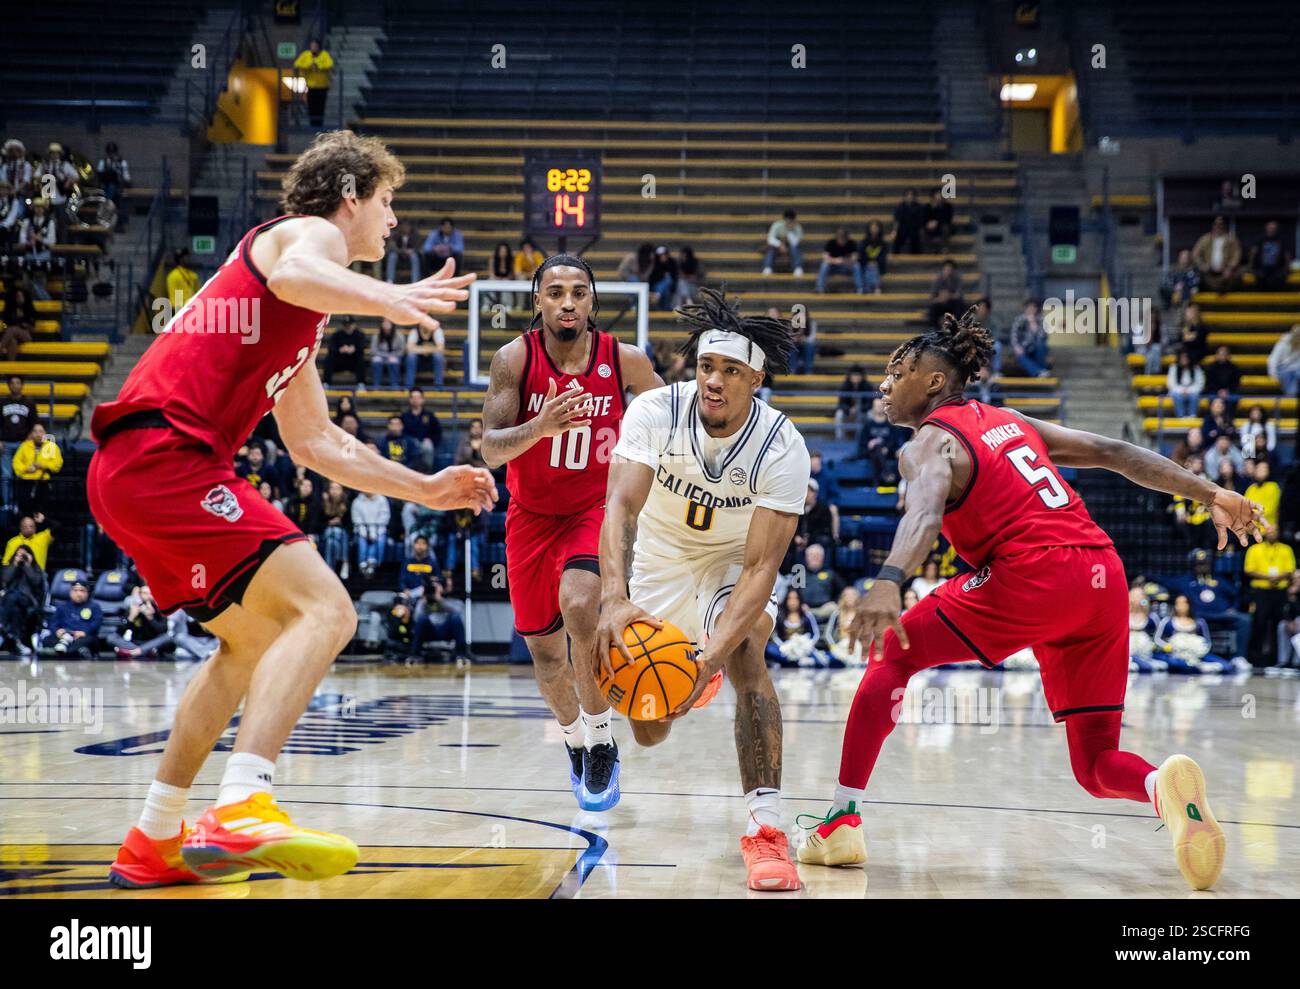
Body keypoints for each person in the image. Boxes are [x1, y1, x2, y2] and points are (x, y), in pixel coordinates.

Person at [86, 129, 496, 889]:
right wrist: (393, 298)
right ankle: (243, 802)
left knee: (249, 645)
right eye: (387, 201)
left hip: (135, 471)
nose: (393, 219)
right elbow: (307, 267)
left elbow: (315, 444)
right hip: (163, 457)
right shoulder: (303, 239)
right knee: (328, 611)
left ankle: (153, 836)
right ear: (350, 196)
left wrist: (426, 487)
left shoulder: (296, 321)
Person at [799, 308, 1263, 891]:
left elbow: (923, 513)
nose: (885, 383)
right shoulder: (1007, 420)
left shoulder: (927, 444)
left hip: (1033, 572)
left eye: (898, 370)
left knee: (893, 652)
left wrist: (890, 578)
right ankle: (1161, 788)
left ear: (935, 382)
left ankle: (840, 819)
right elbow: (1113, 452)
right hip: (1101, 575)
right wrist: (1210, 490)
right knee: (1096, 767)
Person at [596, 287, 810, 891]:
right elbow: (620, 506)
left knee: (746, 651)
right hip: (661, 561)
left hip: (730, 565)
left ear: (756, 379)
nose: (713, 381)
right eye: (706, 367)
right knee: (648, 726)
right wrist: (614, 596)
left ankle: (767, 832)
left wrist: (710, 653)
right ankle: (686, 676)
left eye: (731, 371)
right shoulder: (656, 411)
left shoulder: (782, 445)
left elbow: (761, 567)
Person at [480, 252, 660, 812]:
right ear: (537, 301)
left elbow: (669, 418)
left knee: (582, 605)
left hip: (595, 510)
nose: (567, 302)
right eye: (554, 292)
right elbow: (489, 449)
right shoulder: (514, 359)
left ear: (592, 301)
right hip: (530, 516)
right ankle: (577, 739)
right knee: (544, 652)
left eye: (578, 292)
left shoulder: (623, 359)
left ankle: (602, 737)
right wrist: (541, 425)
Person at [1244, 525, 1297, 668]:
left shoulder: (1286, 549)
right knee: (1259, 624)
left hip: (1279, 592)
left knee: (1278, 625)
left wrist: (1278, 578)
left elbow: (1290, 570)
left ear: (1278, 533)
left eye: (1274, 531)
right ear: (1264, 533)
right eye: (1269, 531)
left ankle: (1276, 660)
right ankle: (1255, 659)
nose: (1272, 534)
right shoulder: (1254, 549)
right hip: (1261, 592)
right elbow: (1248, 569)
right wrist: (1268, 578)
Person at [409, 576, 469, 662]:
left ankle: (461, 655)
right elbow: (416, 619)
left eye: (436, 586)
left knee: (455, 618)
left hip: (446, 630)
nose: (434, 589)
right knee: (422, 618)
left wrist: (440, 600)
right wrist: (423, 602)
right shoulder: (422, 602)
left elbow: (459, 615)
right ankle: (414, 655)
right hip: (429, 630)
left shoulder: (453, 601)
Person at [0, 545, 45, 654]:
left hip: (28, 600)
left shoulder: (35, 568)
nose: (21, 557)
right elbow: (5, 580)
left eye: (24, 555)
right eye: (19, 555)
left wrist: (28, 565)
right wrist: (14, 565)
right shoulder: (10, 567)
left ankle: (2, 625)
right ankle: (16, 641)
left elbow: (36, 582)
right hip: (11, 601)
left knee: (13, 596)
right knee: (16, 610)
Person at [1, 374, 37, 505]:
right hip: (5, 445)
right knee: (6, 477)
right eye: (12, 383)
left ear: (22, 385)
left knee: (22, 474)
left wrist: (28, 440)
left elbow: (34, 424)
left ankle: (20, 503)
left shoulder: (29, 403)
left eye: (18, 383)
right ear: (8, 385)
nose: (15, 385)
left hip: (24, 445)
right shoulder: (2, 402)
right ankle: (7, 504)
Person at [12, 420, 62, 515]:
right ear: (31, 433)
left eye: (41, 431)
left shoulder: (51, 447)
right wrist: (26, 469)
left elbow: (57, 464)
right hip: (26, 482)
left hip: (43, 483)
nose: (38, 434)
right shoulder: (24, 446)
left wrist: (42, 465)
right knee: (25, 511)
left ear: (45, 433)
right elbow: (16, 463)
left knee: (41, 512)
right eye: (35, 431)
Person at [109, 585, 172, 659]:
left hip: (152, 642)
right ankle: (143, 651)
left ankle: (135, 652)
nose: (148, 596)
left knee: (168, 637)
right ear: (140, 595)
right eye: (145, 593)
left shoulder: (159, 609)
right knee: (111, 637)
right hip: (135, 642)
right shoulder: (133, 607)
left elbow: (162, 630)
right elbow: (119, 631)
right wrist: (131, 617)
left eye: (151, 593)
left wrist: (151, 618)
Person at [44, 580, 103, 657]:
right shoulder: (62, 606)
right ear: (70, 592)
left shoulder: (94, 607)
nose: (78, 594)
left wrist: (84, 632)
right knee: (47, 640)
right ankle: (71, 651)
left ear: (87, 593)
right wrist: (57, 631)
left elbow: (96, 623)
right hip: (64, 635)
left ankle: (64, 651)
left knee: (89, 641)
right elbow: (53, 622)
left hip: (81, 636)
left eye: (82, 590)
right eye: (75, 590)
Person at [1192, 215, 1241, 293]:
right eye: (1216, 224)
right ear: (1213, 226)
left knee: (1237, 277)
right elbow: (1195, 254)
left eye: (1221, 225)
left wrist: (1230, 267)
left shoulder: (1231, 239)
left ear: (1224, 226)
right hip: (1209, 272)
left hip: (1226, 272)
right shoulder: (1205, 239)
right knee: (1197, 277)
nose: (1218, 227)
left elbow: (1237, 255)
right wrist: (1202, 265)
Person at [351, 487, 391, 578]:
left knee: (379, 540)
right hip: (361, 530)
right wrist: (365, 533)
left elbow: (384, 518)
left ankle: (374, 564)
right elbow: (357, 520)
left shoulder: (382, 500)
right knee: (362, 541)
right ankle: (362, 564)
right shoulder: (357, 502)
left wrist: (373, 533)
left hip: (379, 529)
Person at [293, 39, 334, 128]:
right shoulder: (306, 55)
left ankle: (319, 125)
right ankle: (312, 125)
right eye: (312, 46)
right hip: (310, 86)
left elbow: (330, 64)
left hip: (322, 86)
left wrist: (319, 66)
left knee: (320, 106)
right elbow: (297, 64)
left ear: (319, 47)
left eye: (315, 46)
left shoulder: (324, 55)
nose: (313, 48)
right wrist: (309, 66)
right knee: (311, 106)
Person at [402, 387, 441, 472]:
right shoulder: (405, 416)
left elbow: (437, 432)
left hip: (425, 444)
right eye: (413, 397)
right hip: (410, 444)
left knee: (428, 446)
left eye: (418, 397)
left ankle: (427, 472)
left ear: (423, 400)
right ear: (409, 400)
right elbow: (402, 433)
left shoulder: (429, 415)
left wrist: (431, 440)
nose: (416, 400)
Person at [96, 141, 132, 230]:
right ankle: (107, 212)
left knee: (115, 194)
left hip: (118, 188)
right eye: (109, 153)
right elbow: (99, 174)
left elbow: (127, 177)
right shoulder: (103, 162)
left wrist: (119, 172)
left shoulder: (121, 162)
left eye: (113, 153)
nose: (111, 155)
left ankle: (118, 223)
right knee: (109, 190)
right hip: (106, 188)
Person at [1248, 220, 1291, 293]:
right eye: (1270, 228)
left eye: (1274, 228)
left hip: (1277, 269)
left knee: (1279, 279)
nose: (1272, 230)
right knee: (1260, 278)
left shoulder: (1282, 240)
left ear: (1277, 229)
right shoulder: (1260, 240)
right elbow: (1253, 253)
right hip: (1262, 268)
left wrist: (1287, 268)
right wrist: (1251, 267)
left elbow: (1287, 255)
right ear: (1266, 228)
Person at [318, 480, 351, 577]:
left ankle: (329, 570)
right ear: (328, 490)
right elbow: (317, 523)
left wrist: (340, 523)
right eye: (332, 488)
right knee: (332, 531)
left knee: (332, 542)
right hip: (326, 531)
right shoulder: (323, 503)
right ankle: (345, 562)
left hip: (341, 535)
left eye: (337, 488)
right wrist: (329, 523)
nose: (335, 491)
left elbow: (350, 525)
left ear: (342, 491)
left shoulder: (347, 504)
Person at [816, 228, 863, 293]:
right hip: (833, 267)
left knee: (856, 265)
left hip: (846, 267)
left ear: (847, 239)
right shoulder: (831, 243)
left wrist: (844, 261)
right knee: (824, 265)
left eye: (843, 240)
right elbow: (825, 257)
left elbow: (855, 258)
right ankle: (820, 288)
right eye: (840, 239)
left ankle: (859, 288)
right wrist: (835, 260)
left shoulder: (852, 243)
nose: (841, 241)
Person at [1010, 298, 1049, 377]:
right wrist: (1016, 347)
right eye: (1029, 307)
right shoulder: (1019, 320)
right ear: (1025, 308)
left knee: (1041, 345)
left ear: (1036, 309)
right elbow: (1014, 336)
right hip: (1023, 348)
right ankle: (1038, 372)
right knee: (1020, 355)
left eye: (1033, 307)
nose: (1031, 310)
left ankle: (1042, 371)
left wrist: (1033, 325)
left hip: (1036, 347)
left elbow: (1043, 337)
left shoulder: (1041, 320)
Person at [323, 316, 366, 386]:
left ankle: (361, 384)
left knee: (361, 360)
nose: (348, 327)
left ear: (354, 325)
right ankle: (326, 383)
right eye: (346, 325)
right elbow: (331, 348)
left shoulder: (359, 334)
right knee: (328, 360)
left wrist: (354, 349)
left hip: (353, 361)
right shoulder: (337, 334)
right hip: (340, 361)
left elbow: (362, 347)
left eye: (350, 325)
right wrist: (340, 350)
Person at [833, 364, 872, 440]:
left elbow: (870, 403)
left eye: (858, 375)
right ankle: (840, 438)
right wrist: (848, 409)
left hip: (862, 412)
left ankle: (869, 438)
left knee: (871, 414)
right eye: (854, 375)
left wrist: (859, 408)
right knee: (839, 414)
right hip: (848, 413)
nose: (856, 377)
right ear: (850, 376)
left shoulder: (867, 386)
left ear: (862, 376)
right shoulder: (845, 386)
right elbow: (841, 403)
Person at [762, 209, 803, 276]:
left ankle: (797, 267)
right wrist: (780, 245)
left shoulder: (797, 227)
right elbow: (770, 238)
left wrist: (790, 231)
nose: (789, 221)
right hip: (777, 246)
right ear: (784, 219)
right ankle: (768, 267)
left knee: (794, 248)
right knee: (771, 249)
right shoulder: (777, 225)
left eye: (791, 220)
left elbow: (795, 243)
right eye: (787, 219)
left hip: (790, 247)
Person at [405, 322, 446, 389]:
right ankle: (409, 386)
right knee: (411, 357)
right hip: (418, 362)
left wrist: (419, 349)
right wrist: (429, 349)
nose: (425, 324)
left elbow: (441, 348)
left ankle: (439, 386)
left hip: (431, 362)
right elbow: (409, 348)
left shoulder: (437, 331)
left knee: (438, 357)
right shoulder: (415, 331)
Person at [1166, 350, 1205, 418]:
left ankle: (1192, 416)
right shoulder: (1173, 367)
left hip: (1192, 391)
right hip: (1177, 391)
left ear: (1189, 359)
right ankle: (1181, 417)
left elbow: (1200, 384)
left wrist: (1188, 391)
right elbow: (1170, 384)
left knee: (1194, 396)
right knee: (1178, 396)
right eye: (1182, 358)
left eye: (1186, 358)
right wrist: (1182, 391)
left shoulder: (1196, 368)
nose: (1184, 360)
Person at [1202, 345, 1240, 414]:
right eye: (1220, 354)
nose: (1222, 356)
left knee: (1234, 398)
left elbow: (1236, 383)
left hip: (1230, 391)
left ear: (1228, 356)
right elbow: (1209, 383)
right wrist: (1218, 391)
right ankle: (1214, 419)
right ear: (1216, 355)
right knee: (1212, 398)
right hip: (1214, 391)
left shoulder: (1234, 368)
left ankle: (1228, 418)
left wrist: (1227, 390)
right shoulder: (1210, 368)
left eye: (1224, 354)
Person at [2, 285, 36, 361]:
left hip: (26, 334)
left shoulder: (29, 309)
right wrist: (5, 328)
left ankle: (1, 346)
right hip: (11, 334)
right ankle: (10, 368)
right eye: (17, 296)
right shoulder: (10, 309)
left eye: (21, 296)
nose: (19, 298)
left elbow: (33, 326)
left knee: (13, 329)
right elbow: (4, 323)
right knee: (13, 342)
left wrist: (25, 324)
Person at [370, 318, 406, 389]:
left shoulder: (399, 336)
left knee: (393, 361)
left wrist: (392, 356)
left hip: (395, 355)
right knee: (376, 361)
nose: (386, 325)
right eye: (384, 323)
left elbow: (402, 350)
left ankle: (394, 385)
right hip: (380, 355)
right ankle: (376, 385)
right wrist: (386, 356)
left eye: (388, 323)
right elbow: (373, 350)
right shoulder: (377, 336)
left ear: (392, 324)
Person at [1267, 325, 1300, 397]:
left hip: (1297, 369)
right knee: (1288, 375)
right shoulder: (1283, 343)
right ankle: (1291, 396)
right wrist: (1272, 373)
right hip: (1284, 368)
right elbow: (1273, 359)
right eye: (1297, 336)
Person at [858, 220, 888, 294]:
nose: (874, 229)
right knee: (869, 267)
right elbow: (861, 254)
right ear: (869, 229)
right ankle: (871, 287)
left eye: (876, 227)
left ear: (879, 229)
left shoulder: (883, 243)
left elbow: (883, 256)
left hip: (878, 265)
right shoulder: (864, 242)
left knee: (873, 267)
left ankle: (874, 287)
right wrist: (868, 262)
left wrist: (875, 262)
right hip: (865, 264)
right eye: (872, 227)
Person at [892, 188, 924, 256]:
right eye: (908, 195)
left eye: (912, 195)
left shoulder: (919, 207)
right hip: (903, 228)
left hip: (914, 228)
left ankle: (916, 255)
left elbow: (921, 220)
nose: (910, 197)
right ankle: (895, 254)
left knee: (915, 236)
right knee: (898, 236)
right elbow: (897, 220)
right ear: (905, 197)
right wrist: (894, 230)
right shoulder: (900, 207)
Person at [922, 188, 954, 253]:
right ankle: (929, 249)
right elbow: (924, 219)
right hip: (931, 228)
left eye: (940, 194)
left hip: (942, 227)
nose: (939, 196)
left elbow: (948, 219)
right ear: (932, 196)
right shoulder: (928, 207)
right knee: (922, 231)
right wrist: (928, 224)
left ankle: (944, 248)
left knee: (945, 228)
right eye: (937, 194)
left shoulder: (948, 206)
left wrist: (937, 222)